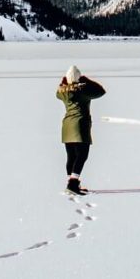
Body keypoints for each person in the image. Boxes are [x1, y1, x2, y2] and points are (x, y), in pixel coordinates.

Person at [56, 64, 105, 194]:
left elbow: (58, 93)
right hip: (80, 126)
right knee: (82, 155)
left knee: (71, 156)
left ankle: (71, 182)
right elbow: (101, 91)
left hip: (67, 126)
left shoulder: (63, 92)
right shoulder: (82, 91)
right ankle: (73, 183)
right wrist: (86, 81)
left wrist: (65, 83)